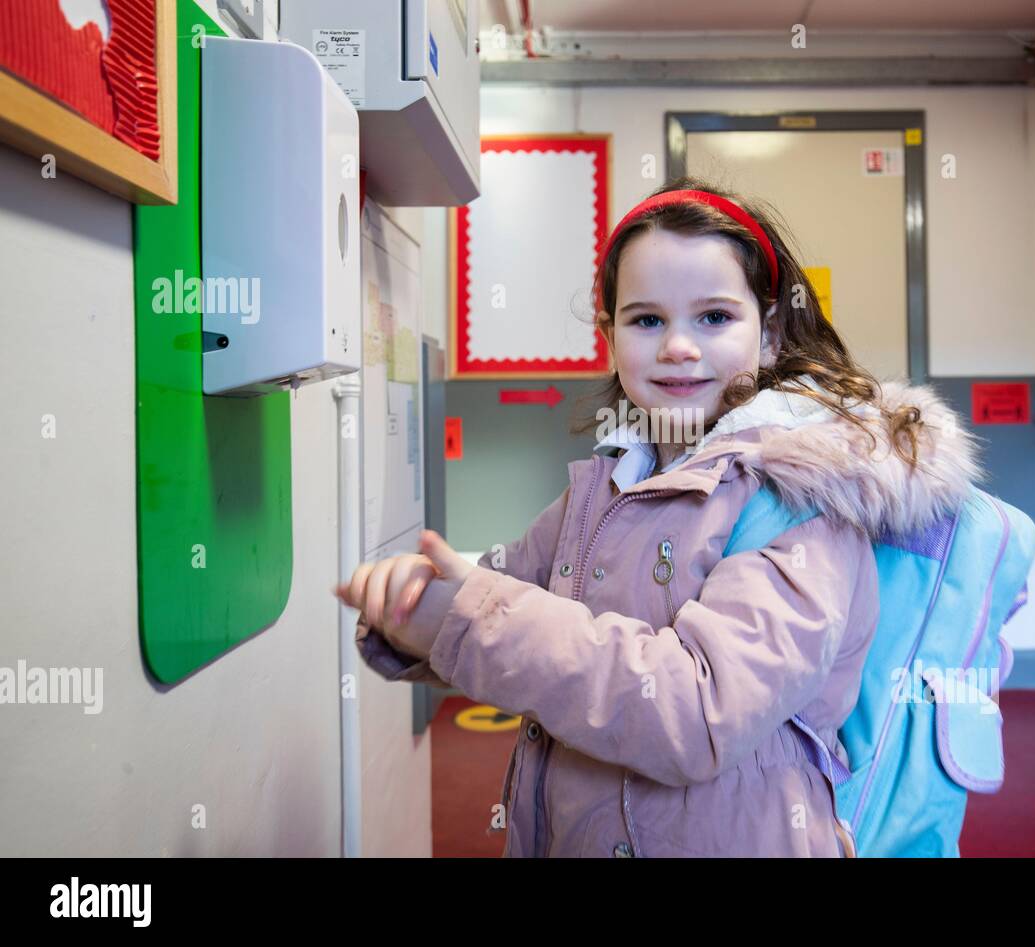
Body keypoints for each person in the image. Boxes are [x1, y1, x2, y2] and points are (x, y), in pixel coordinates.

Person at [334, 177, 983, 857]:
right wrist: (420, 610)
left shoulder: (800, 499)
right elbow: (501, 609)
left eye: (713, 317)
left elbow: (698, 711)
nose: (678, 345)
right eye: (647, 319)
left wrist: (467, 614)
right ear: (609, 336)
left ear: (768, 336)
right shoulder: (600, 491)